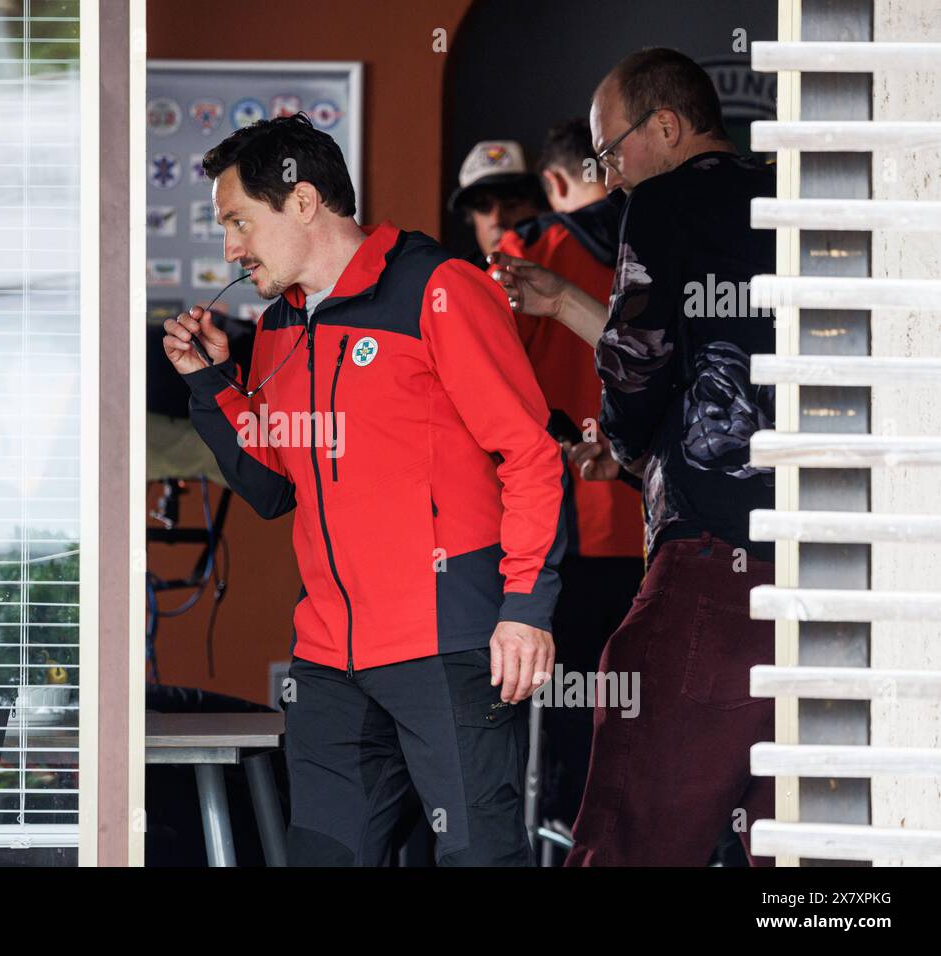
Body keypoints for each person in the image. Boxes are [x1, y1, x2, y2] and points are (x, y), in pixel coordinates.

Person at [161, 113, 566, 866]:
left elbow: (531, 453)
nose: (230, 248)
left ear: (304, 202)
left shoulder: (439, 289)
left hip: (448, 641)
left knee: (479, 857)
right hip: (328, 657)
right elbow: (275, 484)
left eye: (239, 221)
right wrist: (210, 386)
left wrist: (524, 610)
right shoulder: (281, 324)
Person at [495, 48, 778, 866]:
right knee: (793, 850)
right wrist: (565, 302)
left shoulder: (659, 202)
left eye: (610, 151)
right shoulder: (785, 201)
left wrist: (618, 439)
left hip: (710, 568)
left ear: (665, 125)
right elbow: (710, 355)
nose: (609, 177)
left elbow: (639, 365)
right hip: (827, 580)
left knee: (632, 834)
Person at [490, 120, 645, 834]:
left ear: (554, 184)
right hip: (661, 520)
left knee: (564, 713)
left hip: (566, 523)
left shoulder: (528, 251)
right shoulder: (666, 238)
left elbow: (489, 381)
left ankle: (568, 831)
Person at [447, 140, 548, 261]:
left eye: (511, 205)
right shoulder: (461, 278)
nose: (497, 220)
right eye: (483, 207)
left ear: (540, 209)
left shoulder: (569, 269)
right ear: (472, 218)